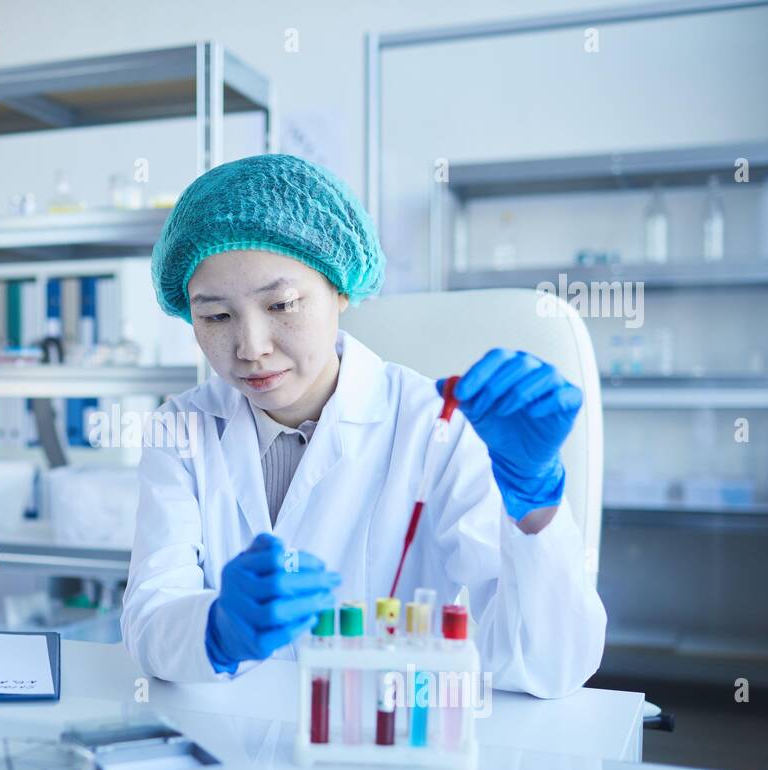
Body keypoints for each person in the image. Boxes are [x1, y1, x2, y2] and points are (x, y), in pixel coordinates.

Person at [121, 153, 605, 698]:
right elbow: (152, 617)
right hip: (227, 758)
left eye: (281, 304)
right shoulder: (181, 430)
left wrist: (535, 502)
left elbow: (544, 666)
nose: (251, 347)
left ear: (341, 289)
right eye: (215, 316)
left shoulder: (434, 427)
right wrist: (216, 630)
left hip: (385, 752)